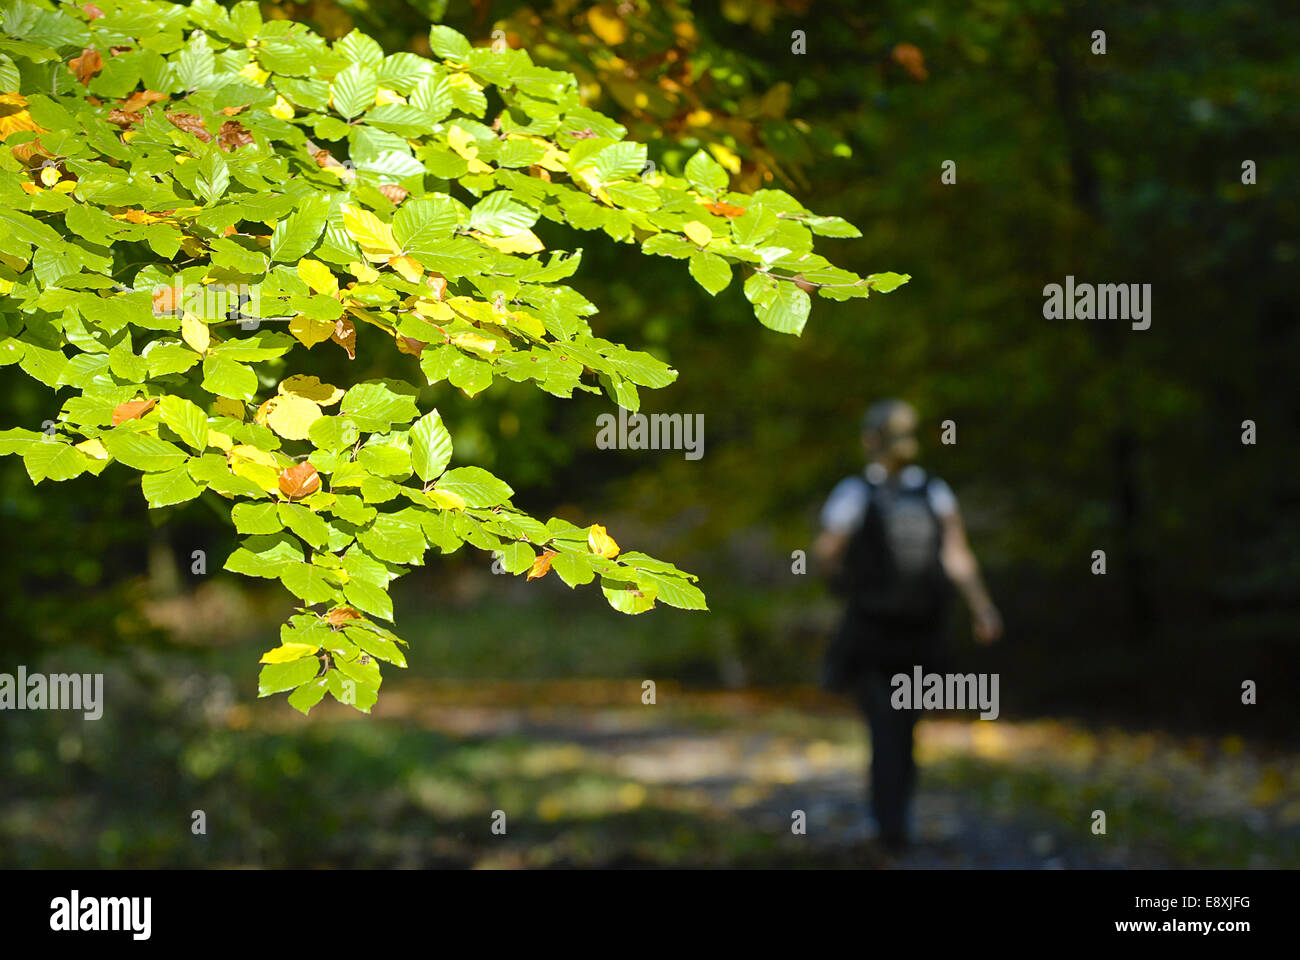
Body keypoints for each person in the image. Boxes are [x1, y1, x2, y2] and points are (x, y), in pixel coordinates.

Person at [815, 399, 1002, 854]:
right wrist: (983, 609)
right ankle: (895, 824)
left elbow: (825, 554)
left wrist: (845, 588)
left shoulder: (855, 492)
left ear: (869, 440)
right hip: (919, 634)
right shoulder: (933, 491)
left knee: (888, 729)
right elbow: (957, 555)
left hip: (878, 633)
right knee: (901, 728)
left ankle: (890, 827)